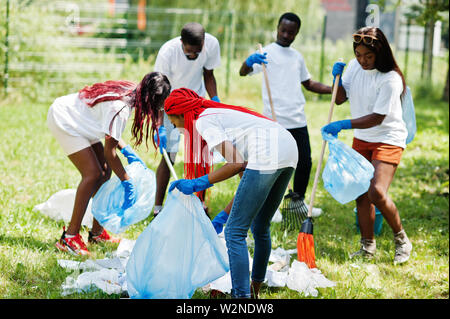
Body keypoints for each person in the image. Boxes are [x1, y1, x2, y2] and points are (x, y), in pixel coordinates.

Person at [165, 88, 298, 299]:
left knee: (234, 232)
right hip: (288, 146)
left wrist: (197, 183)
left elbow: (234, 163)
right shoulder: (222, 117)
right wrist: (223, 216)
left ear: (182, 114)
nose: (175, 127)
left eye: (173, 122)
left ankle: (241, 298)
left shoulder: (203, 120)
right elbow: (248, 185)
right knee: (260, 225)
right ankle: (253, 291)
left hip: (269, 150)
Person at [47, 72, 171, 256]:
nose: (157, 111)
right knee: (92, 174)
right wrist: (127, 180)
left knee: (105, 173)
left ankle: (96, 233)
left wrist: (127, 151)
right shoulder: (120, 108)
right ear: (148, 99)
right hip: (67, 119)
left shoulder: (132, 92)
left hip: (82, 120)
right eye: (157, 105)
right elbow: (109, 151)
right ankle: (69, 237)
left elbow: (110, 131)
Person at [323, 27, 413, 264]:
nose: (362, 60)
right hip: (363, 137)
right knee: (361, 193)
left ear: (380, 53)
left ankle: (401, 239)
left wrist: (343, 124)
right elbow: (340, 98)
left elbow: (377, 117)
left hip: (388, 137)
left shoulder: (391, 78)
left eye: (368, 56)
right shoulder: (355, 66)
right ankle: (367, 246)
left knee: (377, 192)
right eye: (358, 55)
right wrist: (337, 80)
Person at [239, 12, 332, 219]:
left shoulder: (297, 57)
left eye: (291, 32)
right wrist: (249, 61)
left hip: (297, 118)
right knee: (273, 164)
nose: (286, 35)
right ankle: (269, 207)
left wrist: (333, 89)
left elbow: (308, 84)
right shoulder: (266, 53)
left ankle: (297, 202)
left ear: (296, 33)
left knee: (304, 162)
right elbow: (243, 72)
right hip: (274, 119)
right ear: (277, 28)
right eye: (283, 30)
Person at [152, 22, 221, 217]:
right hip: (169, 104)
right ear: (181, 42)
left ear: (204, 44)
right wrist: (160, 125)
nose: (193, 56)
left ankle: (199, 205)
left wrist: (215, 100)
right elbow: (159, 90)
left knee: (200, 157)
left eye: (197, 53)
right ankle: (158, 207)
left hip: (195, 102)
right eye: (189, 52)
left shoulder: (212, 45)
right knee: (170, 155)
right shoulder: (168, 52)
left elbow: (209, 75)